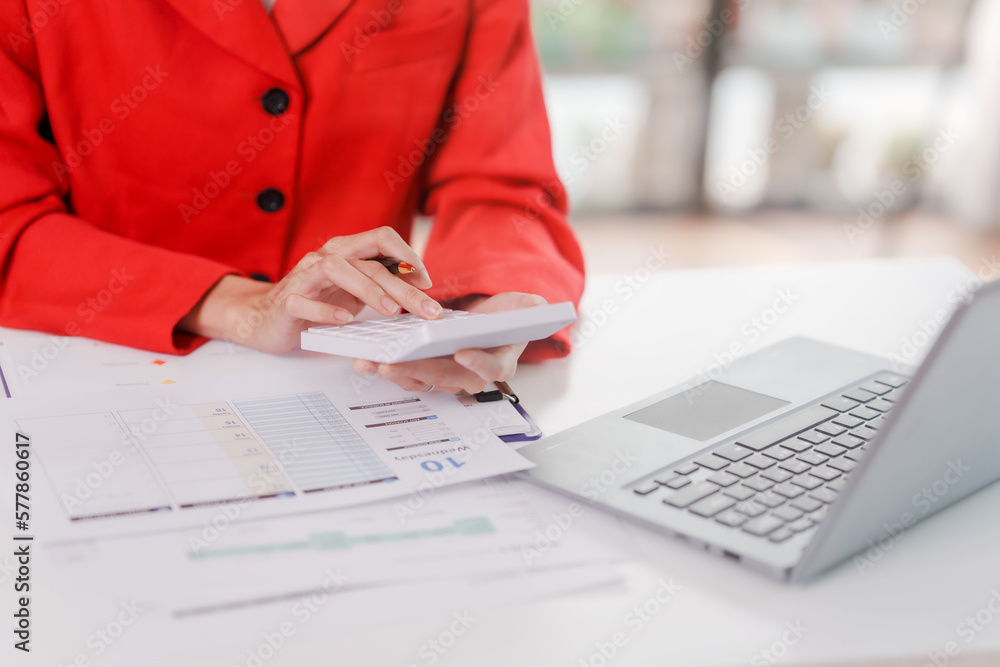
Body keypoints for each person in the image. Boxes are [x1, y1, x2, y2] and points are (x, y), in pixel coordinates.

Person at [0, 0, 585, 394]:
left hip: (359, 379)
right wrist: (238, 306)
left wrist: (478, 306)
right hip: (103, 365)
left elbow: (504, 185)